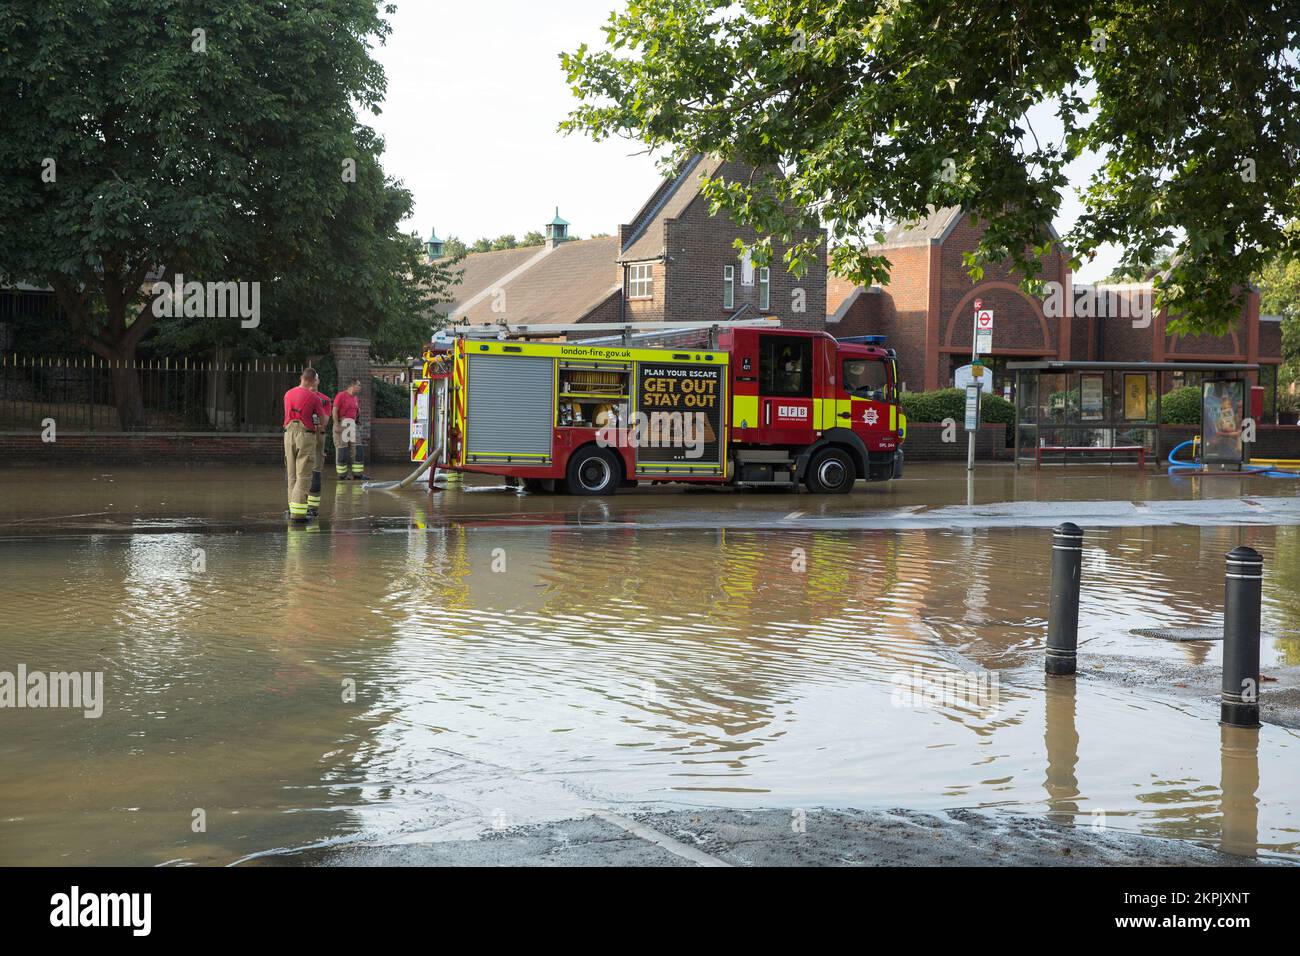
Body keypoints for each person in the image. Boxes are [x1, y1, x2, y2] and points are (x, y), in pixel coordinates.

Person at [283, 369, 322, 522]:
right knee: (303, 474)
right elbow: (322, 421)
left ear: (301, 378)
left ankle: (292, 509)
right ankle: (298, 515)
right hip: (305, 435)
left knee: (291, 474)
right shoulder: (314, 397)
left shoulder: (287, 394)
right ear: (313, 381)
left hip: (288, 434)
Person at [306, 383, 331, 516]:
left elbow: (324, 421)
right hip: (303, 435)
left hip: (317, 435)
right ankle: (298, 505)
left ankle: (313, 508)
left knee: (315, 470)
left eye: (315, 380)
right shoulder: (300, 395)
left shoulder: (325, 399)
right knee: (301, 471)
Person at [333, 379, 364, 480]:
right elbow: (334, 410)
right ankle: (342, 476)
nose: (360, 387)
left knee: (357, 448)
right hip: (343, 423)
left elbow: (356, 410)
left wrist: (358, 419)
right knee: (343, 450)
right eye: (359, 385)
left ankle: (357, 475)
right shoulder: (341, 395)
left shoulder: (355, 398)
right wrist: (336, 424)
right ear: (352, 386)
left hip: (352, 424)